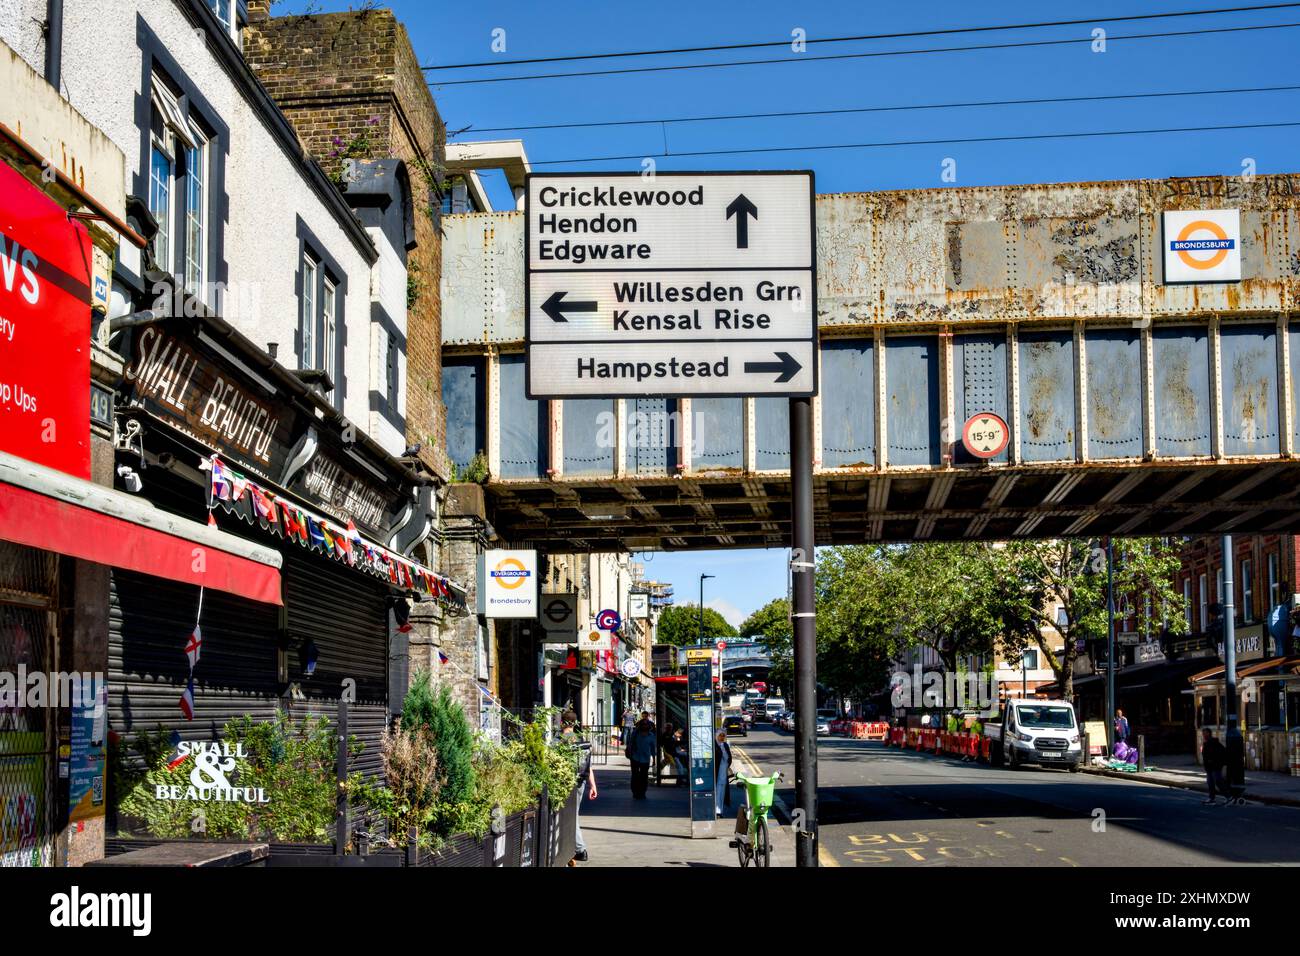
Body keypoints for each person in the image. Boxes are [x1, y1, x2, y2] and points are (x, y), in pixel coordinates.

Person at [571, 738, 597, 863]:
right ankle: (577, 848)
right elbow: (589, 767)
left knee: (571, 816)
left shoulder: (559, 740)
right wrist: (593, 785)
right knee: (573, 814)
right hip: (581, 782)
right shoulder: (583, 742)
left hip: (568, 782)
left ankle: (580, 850)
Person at [1200, 728, 1233, 804]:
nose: (1204, 735)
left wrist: (1215, 761)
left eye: (1205, 733)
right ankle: (1211, 798)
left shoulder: (1214, 742)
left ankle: (1229, 797)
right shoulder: (1206, 743)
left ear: (1209, 733)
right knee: (1210, 783)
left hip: (1215, 766)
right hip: (1209, 767)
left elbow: (1222, 753)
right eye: (1203, 733)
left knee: (1218, 781)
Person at [627, 717, 656, 799]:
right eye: (643, 724)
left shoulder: (651, 735)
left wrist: (654, 760)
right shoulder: (635, 733)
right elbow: (630, 743)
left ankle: (642, 793)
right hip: (635, 757)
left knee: (644, 776)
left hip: (645, 758)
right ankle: (635, 792)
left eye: (646, 725)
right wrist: (630, 752)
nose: (644, 726)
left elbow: (653, 748)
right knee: (635, 776)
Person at [714, 729, 732, 817]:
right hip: (716, 773)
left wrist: (723, 749)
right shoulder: (714, 745)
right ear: (717, 736)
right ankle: (716, 811)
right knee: (717, 791)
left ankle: (720, 811)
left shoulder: (725, 745)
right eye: (720, 735)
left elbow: (729, 758)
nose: (722, 737)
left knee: (722, 793)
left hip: (723, 773)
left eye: (723, 736)